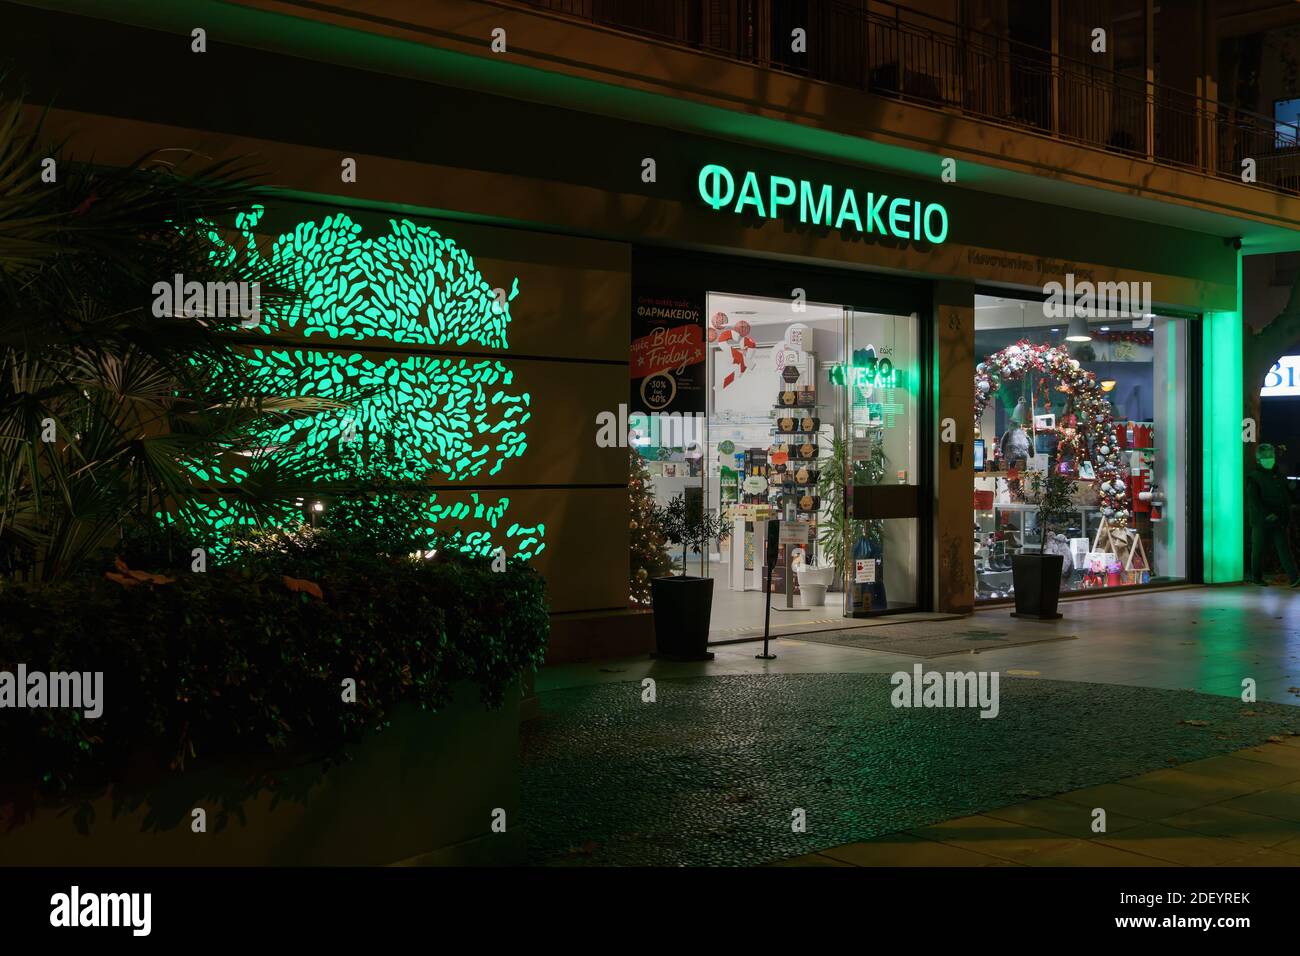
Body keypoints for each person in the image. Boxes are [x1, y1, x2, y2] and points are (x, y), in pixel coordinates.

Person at [1246, 443, 1299, 587]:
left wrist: (1292, 493)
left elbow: (1286, 496)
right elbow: (1254, 500)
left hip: (1278, 520)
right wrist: (1267, 514)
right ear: (1259, 459)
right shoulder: (1254, 477)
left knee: (1283, 550)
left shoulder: (1279, 476)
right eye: (1265, 457)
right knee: (1258, 550)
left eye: (1271, 456)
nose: (1269, 459)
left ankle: (1294, 578)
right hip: (1261, 521)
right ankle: (1256, 577)